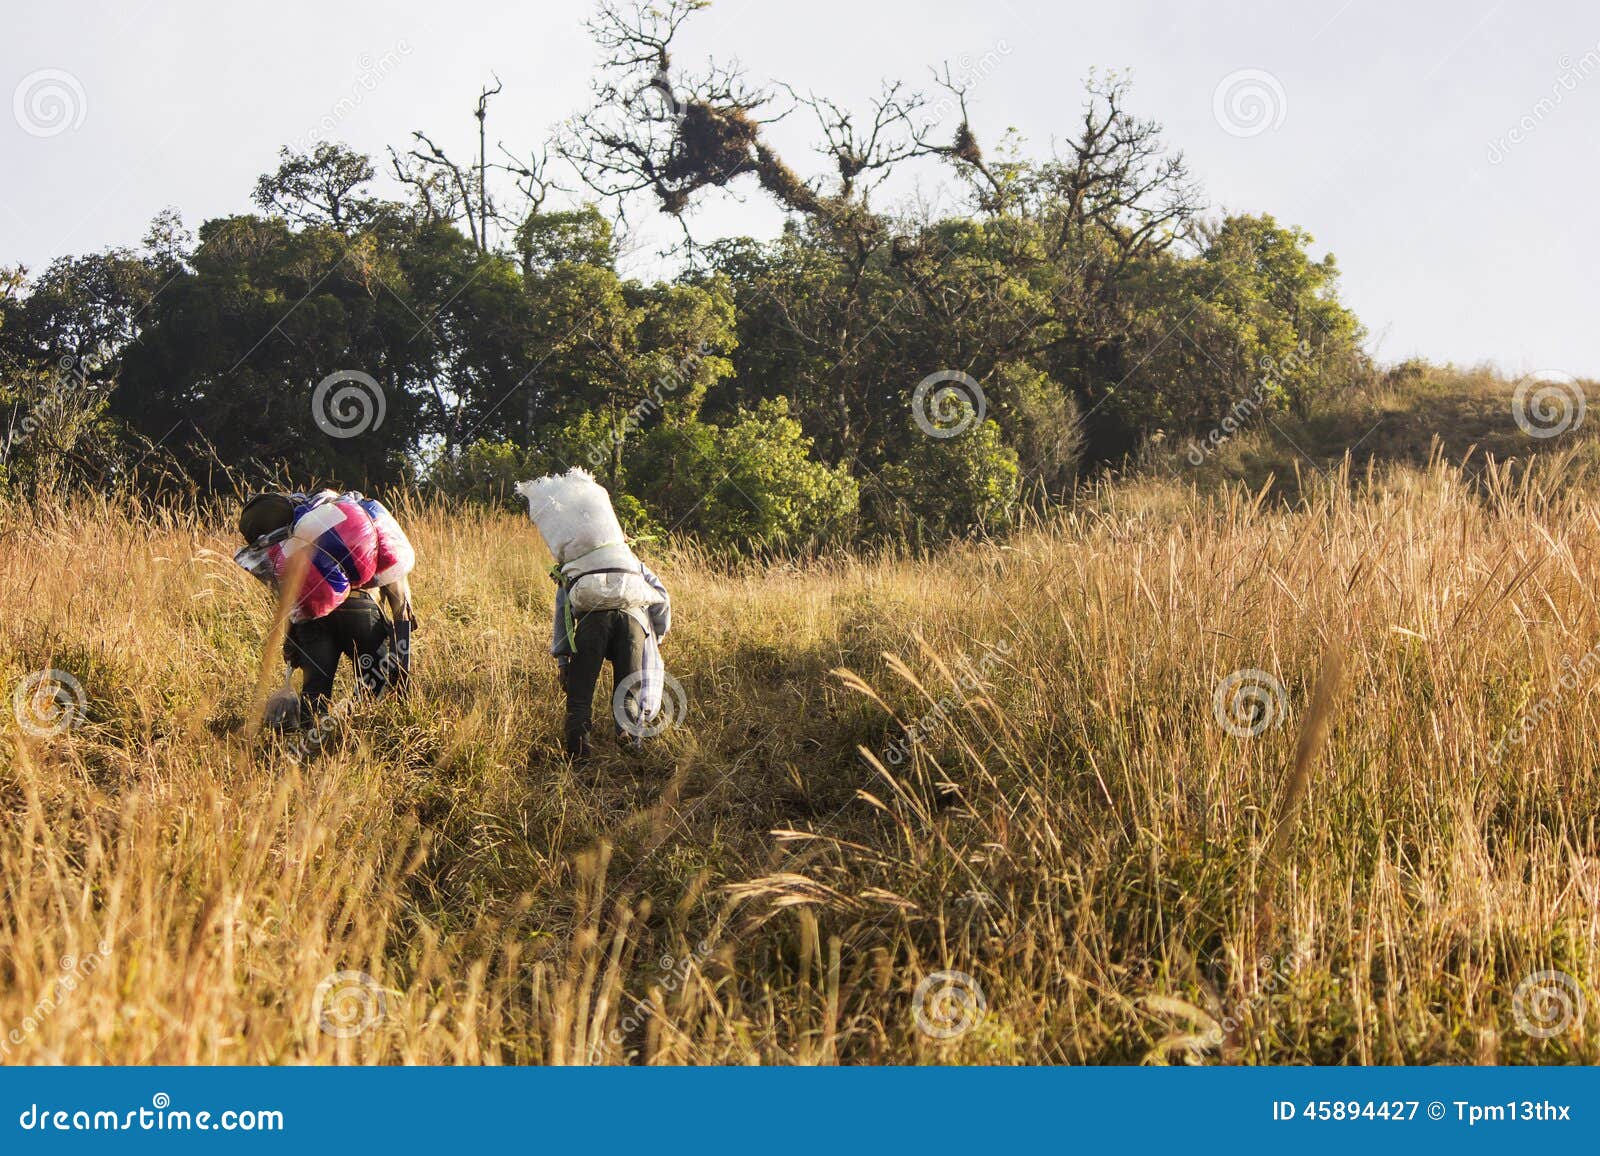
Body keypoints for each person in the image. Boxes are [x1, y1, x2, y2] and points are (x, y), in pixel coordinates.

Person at [235, 490, 417, 725]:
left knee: (314, 698)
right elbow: (401, 601)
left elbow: (294, 602)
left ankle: (305, 749)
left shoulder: (288, 546)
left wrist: (291, 643)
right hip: (362, 610)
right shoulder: (364, 521)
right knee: (376, 690)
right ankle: (361, 741)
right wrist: (401, 660)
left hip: (314, 621)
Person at [551, 560, 670, 760]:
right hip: (632, 623)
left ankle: (579, 755)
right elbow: (662, 596)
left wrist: (563, 661)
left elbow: (563, 613)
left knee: (579, 695)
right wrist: (657, 635)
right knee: (628, 694)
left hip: (592, 620)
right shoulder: (631, 562)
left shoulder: (576, 562)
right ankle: (630, 745)